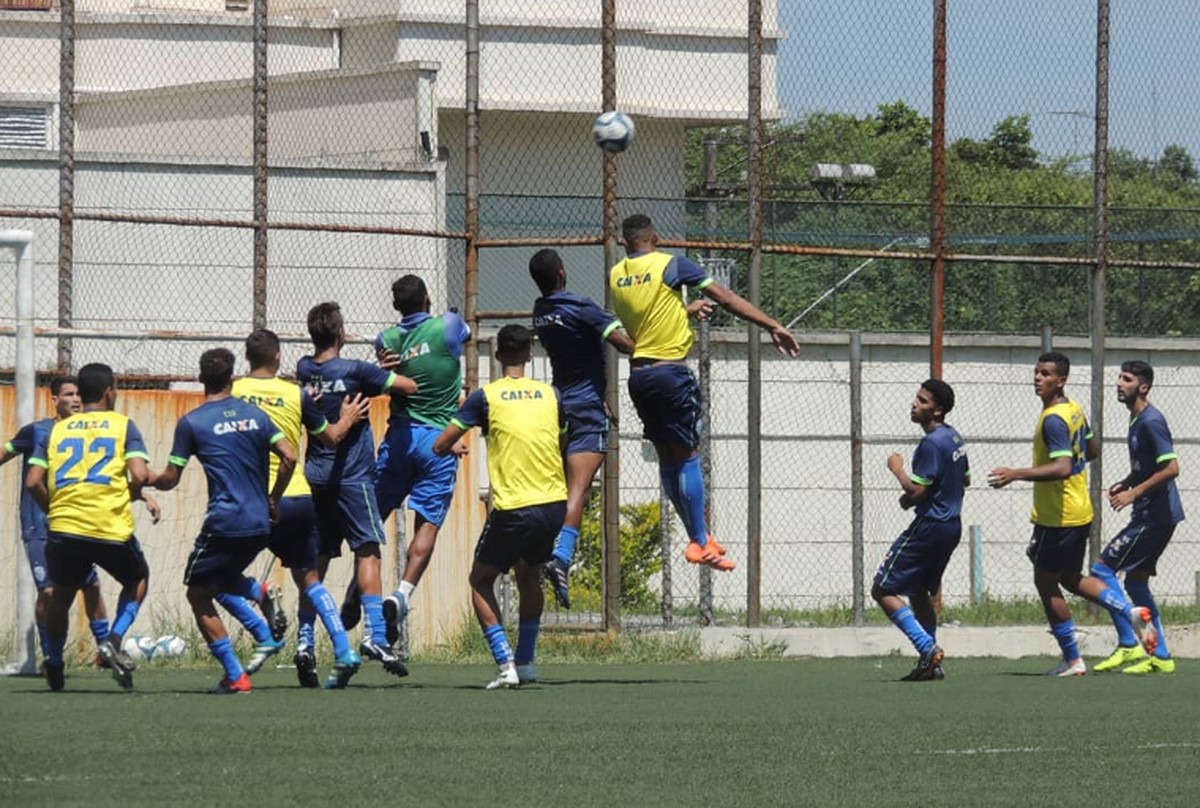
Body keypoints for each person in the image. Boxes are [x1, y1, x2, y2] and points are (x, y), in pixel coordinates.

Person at [610, 214, 799, 571]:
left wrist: (684, 310)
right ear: (656, 237)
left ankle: (698, 537)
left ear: (625, 243)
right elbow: (726, 298)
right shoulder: (672, 264)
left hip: (639, 376)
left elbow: (647, 315)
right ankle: (699, 539)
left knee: (668, 458)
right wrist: (772, 324)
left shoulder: (617, 274)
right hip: (670, 373)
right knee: (689, 454)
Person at [987, 351, 1152, 677]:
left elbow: (1063, 467)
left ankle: (1073, 659)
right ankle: (1128, 610)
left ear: (1061, 380)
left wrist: (1016, 474)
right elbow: (1091, 451)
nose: (1038, 378)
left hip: (1058, 516)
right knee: (1069, 577)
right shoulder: (1073, 409)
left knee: (1045, 582)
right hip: (1080, 510)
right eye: (1036, 372)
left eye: (1046, 374)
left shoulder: (1053, 419)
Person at [148, 348, 297, 694]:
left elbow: (171, 478)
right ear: (233, 377)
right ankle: (257, 594)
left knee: (197, 592)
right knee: (218, 580)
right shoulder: (256, 416)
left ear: (202, 379)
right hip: (260, 521)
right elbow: (289, 455)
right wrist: (273, 498)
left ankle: (235, 674)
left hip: (225, 520)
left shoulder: (193, 422)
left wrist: (145, 479)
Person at [230, 329, 372, 688]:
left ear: (247, 358)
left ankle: (263, 622)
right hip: (295, 496)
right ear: (278, 358)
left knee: (215, 577)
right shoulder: (296, 395)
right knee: (310, 579)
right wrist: (349, 417)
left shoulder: (234, 393)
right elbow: (331, 437)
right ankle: (343, 650)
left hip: (248, 499)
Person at [432, 324, 567, 689]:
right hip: (554, 503)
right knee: (529, 576)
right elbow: (562, 440)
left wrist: (450, 445)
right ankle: (526, 662)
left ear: (497, 355)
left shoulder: (486, 397)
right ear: (528, 355)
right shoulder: (552, 395)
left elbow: (442, 443)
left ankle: (505, 663)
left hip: (514, 507)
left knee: (479, 581)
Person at [296, 301, 417, 676]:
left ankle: (304, 641)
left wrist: (372, 378)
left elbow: (346, 385)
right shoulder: (356, 370)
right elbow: (408, 386)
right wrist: (392, 370)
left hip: (315, 478)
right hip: (353, 477)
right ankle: (375, 635)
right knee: (367, 552)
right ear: (341, 333)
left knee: (316, 560)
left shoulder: (304, 369)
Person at [24, 363, 155, 691]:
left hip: (64, 527)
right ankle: (113, 638)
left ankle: (54, 662)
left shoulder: (56, 430)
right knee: (138, 578)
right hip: (109, 527)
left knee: (62, 595)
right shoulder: (123, 425)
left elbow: (33, 482)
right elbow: (139, 474)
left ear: (81, 393)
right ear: (110, 392)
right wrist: (137, 492)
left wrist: (52, 509)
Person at [529, 248, 634, 608]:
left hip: (561, 404)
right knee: (578, 488)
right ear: (561, 272)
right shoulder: (580, 305)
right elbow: (622, 344)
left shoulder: (540, 311)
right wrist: (660, 343)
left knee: (573, 488)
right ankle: (559, 557)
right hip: (586, 407)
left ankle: (551, 550)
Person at [371, 275, 471, 648]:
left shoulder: (386, 341)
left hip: (399, 436)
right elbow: (464, 336)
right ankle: (401, 594)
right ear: (428, 298)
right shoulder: (447, 324)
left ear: (397, 307)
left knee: (371, 520)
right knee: (426, 526)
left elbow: (383, 364)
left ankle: (358, 595)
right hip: (439, 442)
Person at [2, 377, 116, 670]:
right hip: (38, 526)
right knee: (49, 592)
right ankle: (52, 656)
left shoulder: (91, 432)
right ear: (55, 399)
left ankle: (105, 650)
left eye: (79, 393)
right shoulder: (37, 431)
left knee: (90, 586)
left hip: (75, 524)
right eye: (69, 394)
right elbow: (6, 452)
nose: (76, 399)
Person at [871, 379, 969, 682]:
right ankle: (930, 665)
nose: (914, 404)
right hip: (951, 526)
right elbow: (964, 480)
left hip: (930, 526)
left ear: (937, 410)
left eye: (923, 401)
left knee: (882, 588)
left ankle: (927, 647)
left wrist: (897, 470)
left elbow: (917, 492)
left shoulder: (931, 443)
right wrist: (917, 496)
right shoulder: (954, 438)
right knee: (918, 591)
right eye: (916, 398)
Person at [1090, 360, 1183, 674]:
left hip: (1154, 517)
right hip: (1152, 514)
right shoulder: (1136, 419)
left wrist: (1134, 493)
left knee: (1101, 570)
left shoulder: (1151, 421)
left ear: (1143, 387)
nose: (1118, 383)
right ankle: (1161, 656)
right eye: (1119, 377)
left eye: (1126, 379)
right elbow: (1149, 465)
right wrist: (1127, 483)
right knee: (1136, 582)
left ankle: (1131, 641)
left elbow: (1171, 468)